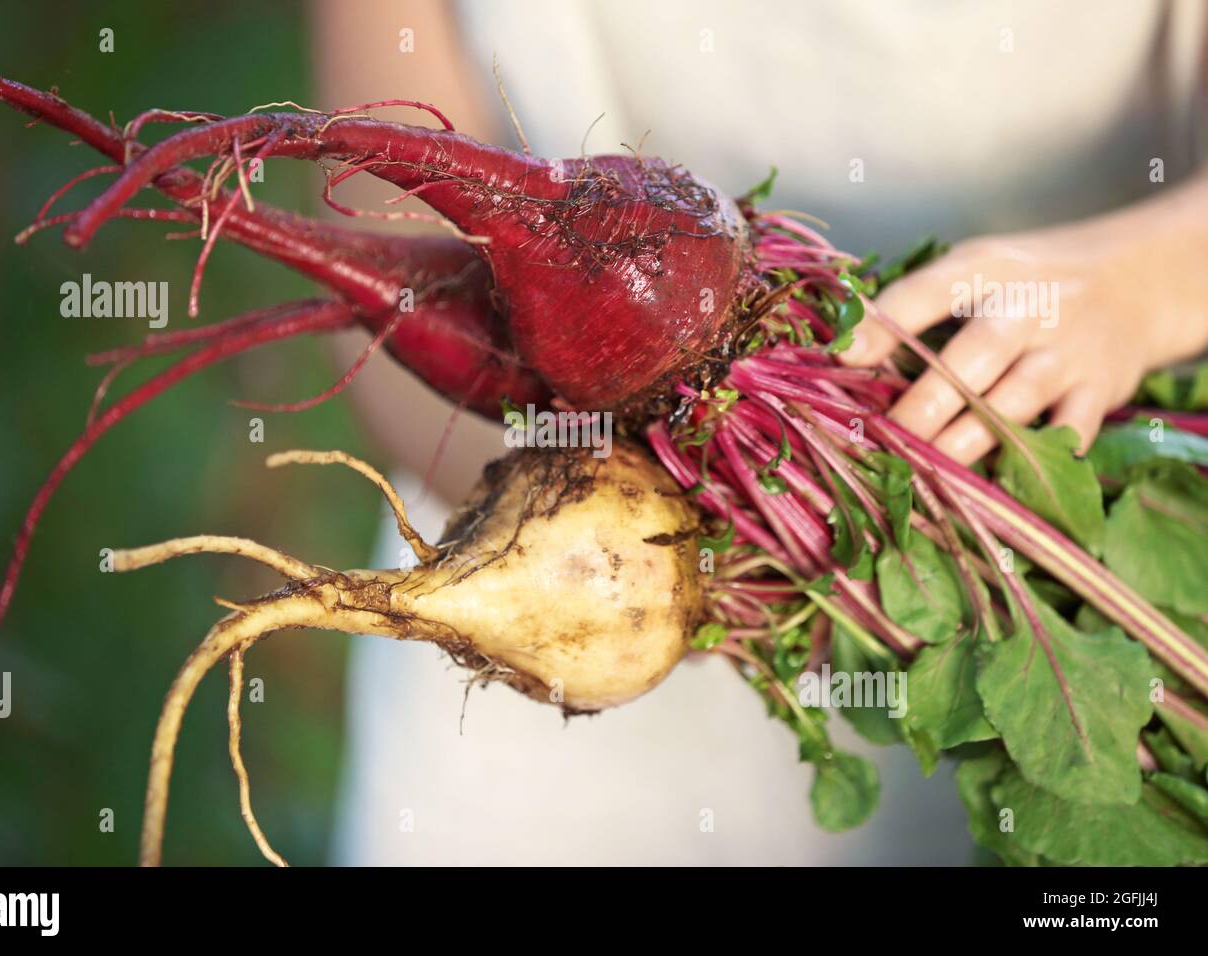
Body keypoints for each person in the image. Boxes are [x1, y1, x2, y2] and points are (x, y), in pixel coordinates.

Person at [312, 0, 1208, 864]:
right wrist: (615, 557)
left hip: (1031, 574)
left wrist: (1141, 282)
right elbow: (391, 318)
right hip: (540, 707)